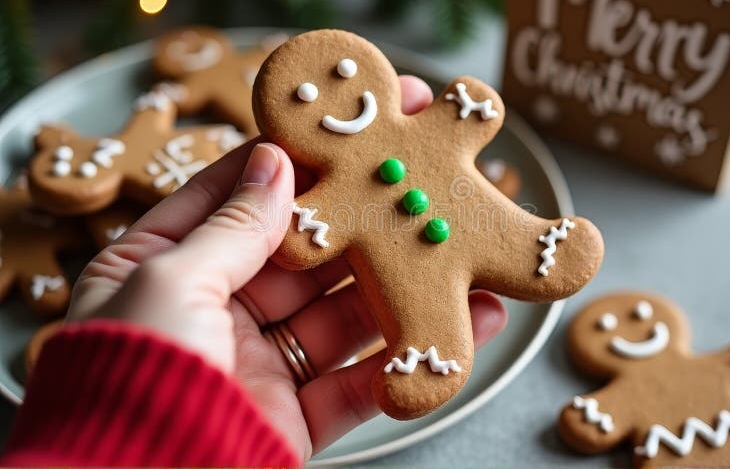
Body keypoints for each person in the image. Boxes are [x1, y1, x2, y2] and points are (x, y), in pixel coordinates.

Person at [0, 76, 508, 466]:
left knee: (497, 244)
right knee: (429, 311)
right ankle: (434, 349)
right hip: (393, 275)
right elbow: (305, 231)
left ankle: (539, 248)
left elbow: (455, 120)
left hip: (467, 228)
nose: (327, 96)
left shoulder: (409, 136)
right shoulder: (335, 176)